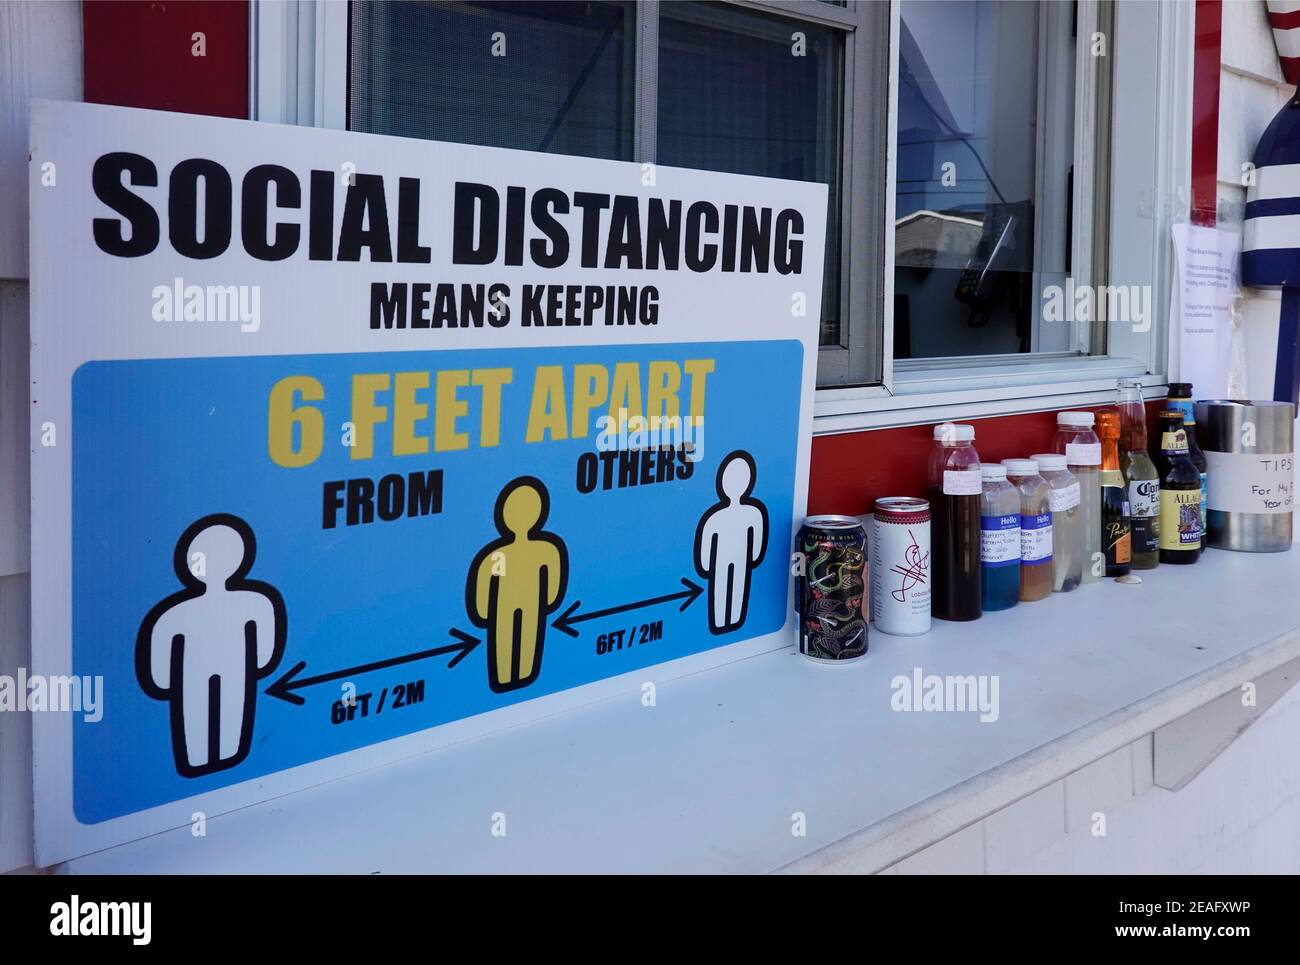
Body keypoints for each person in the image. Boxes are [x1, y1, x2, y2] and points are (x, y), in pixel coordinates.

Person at [136, 514, 285, 778]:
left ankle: (206, 757)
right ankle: (213, 756)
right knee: (219, 713)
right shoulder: (253, 601)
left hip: (211, 670)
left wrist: (167, 682)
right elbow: (264, 654)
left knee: (211, 716)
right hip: (230, 666)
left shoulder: (179, 612)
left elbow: (159, 673)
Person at [467, 477, 568, 693]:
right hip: (522, 602)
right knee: (519, 637)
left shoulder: (536, 550)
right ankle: (515, 675)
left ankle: (513, 676)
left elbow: (482, 598)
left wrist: (485, 613)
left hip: (518, 604)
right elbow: (552, 591)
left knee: (525, 638)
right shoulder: (541, 550)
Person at [694, 451, 768, 634]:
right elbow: (707, 544)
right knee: (722, 586)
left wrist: (705, 565)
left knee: (737, 587)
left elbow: (757, 543)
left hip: (738, 557)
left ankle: (729, 620)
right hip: (725, 558)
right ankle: (722, 621)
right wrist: (705, 565)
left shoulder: (751, 513)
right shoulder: (718, 517)